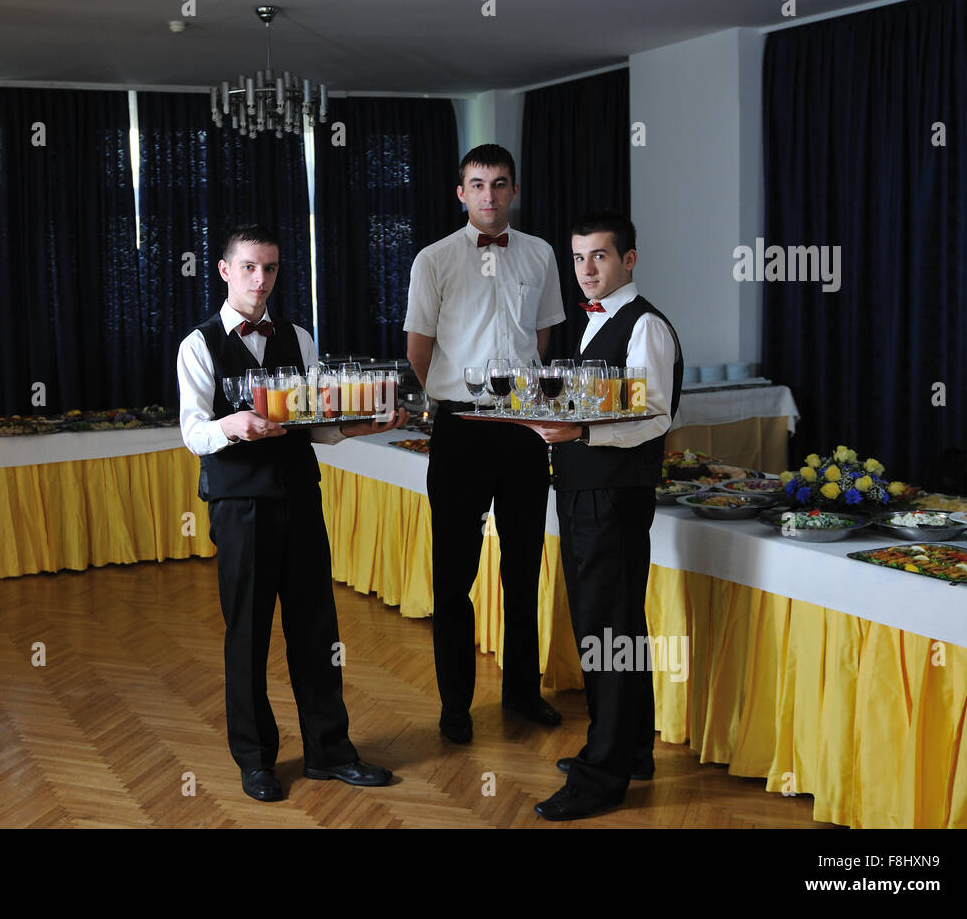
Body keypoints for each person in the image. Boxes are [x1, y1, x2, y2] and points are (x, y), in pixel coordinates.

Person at [177, 224, 408, 802]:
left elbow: (313, 426)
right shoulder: (197, 345)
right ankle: (254, 760)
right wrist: (235, 426)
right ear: (225, 271)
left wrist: (358, 426)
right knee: (248, 635)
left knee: (316, 629)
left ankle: (330, 751)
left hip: (300, 498)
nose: (262, 280)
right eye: (250, 267)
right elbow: (193, 432)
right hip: (240, 507)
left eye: (272, 269)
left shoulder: (300, 339)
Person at [404, 144, 566, 744]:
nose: (489, 195)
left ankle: (523, 693)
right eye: (477, 184)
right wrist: (455, 401)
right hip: (461, 433)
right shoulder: (433, 260)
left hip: (523, 431)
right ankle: (455, 705)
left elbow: (542, 336)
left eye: (499, 184)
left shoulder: (542, 254)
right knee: (453, 577)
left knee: (524, 568)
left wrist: (513, 401)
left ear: (514, 191)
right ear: (461, 193)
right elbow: (419, 347)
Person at [530, 211, 683, 821]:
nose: (586, 269)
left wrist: (580, 429)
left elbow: (655, 417)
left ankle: (602, 775)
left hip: (613, 497)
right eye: (577, 258)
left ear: (629, 260)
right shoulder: (594, 325)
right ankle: (630, 751)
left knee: (609, 631)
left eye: (599, 256)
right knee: (613, 628)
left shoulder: (645, 326)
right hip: (584, 491)